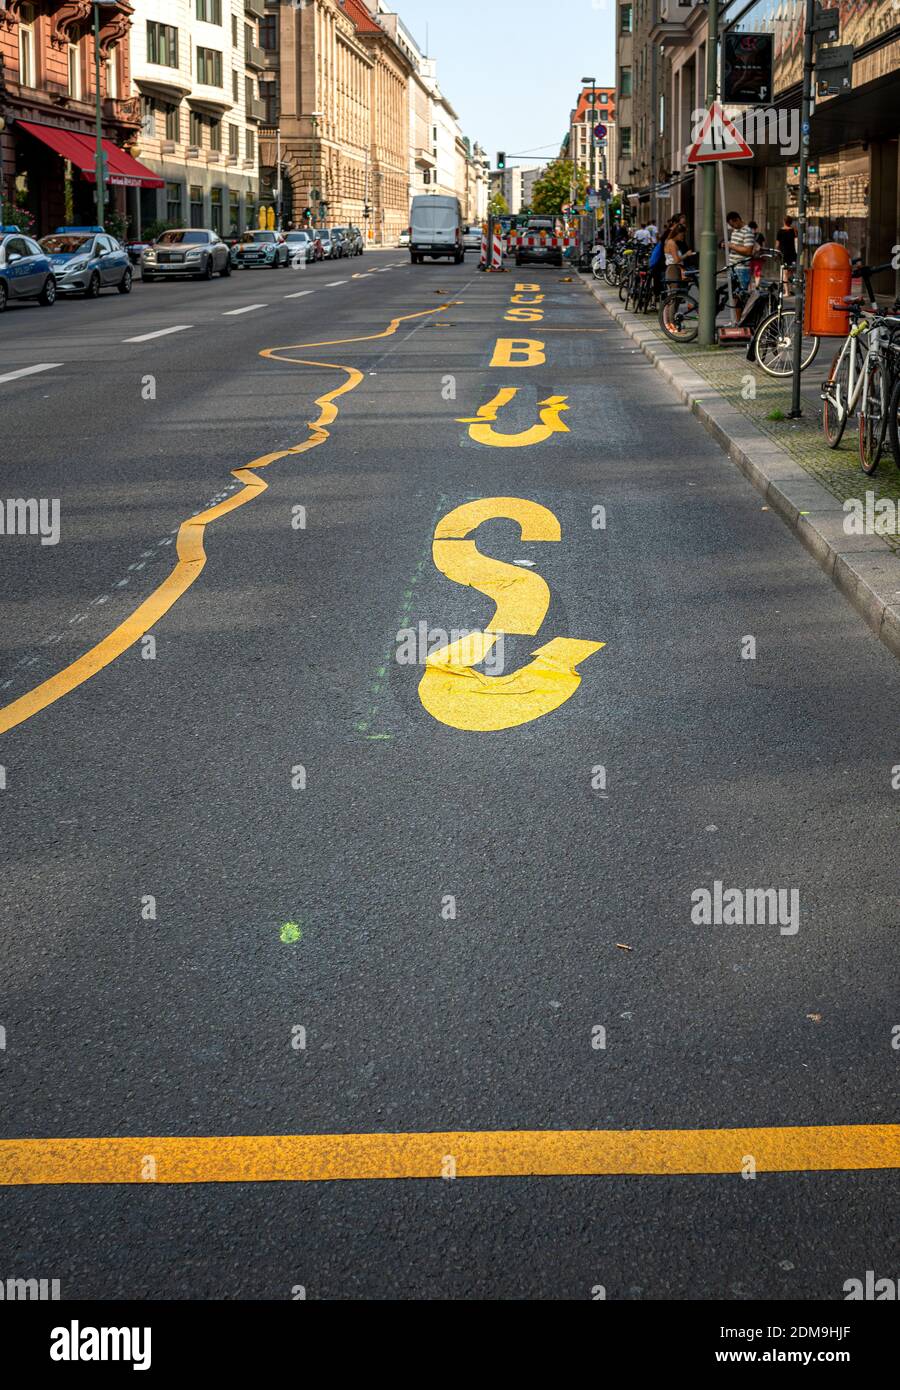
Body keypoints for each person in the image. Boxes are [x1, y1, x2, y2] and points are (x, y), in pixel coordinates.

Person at [776, 214, 797, 290]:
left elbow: (777, 245)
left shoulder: (780, 231)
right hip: (792, 253)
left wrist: (776, 252)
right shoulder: (793, 231)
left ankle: (787, 291)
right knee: (790, 272)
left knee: (784, 273)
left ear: (784, 221)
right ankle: (791, 289)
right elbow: (796, 241)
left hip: (783, 254)